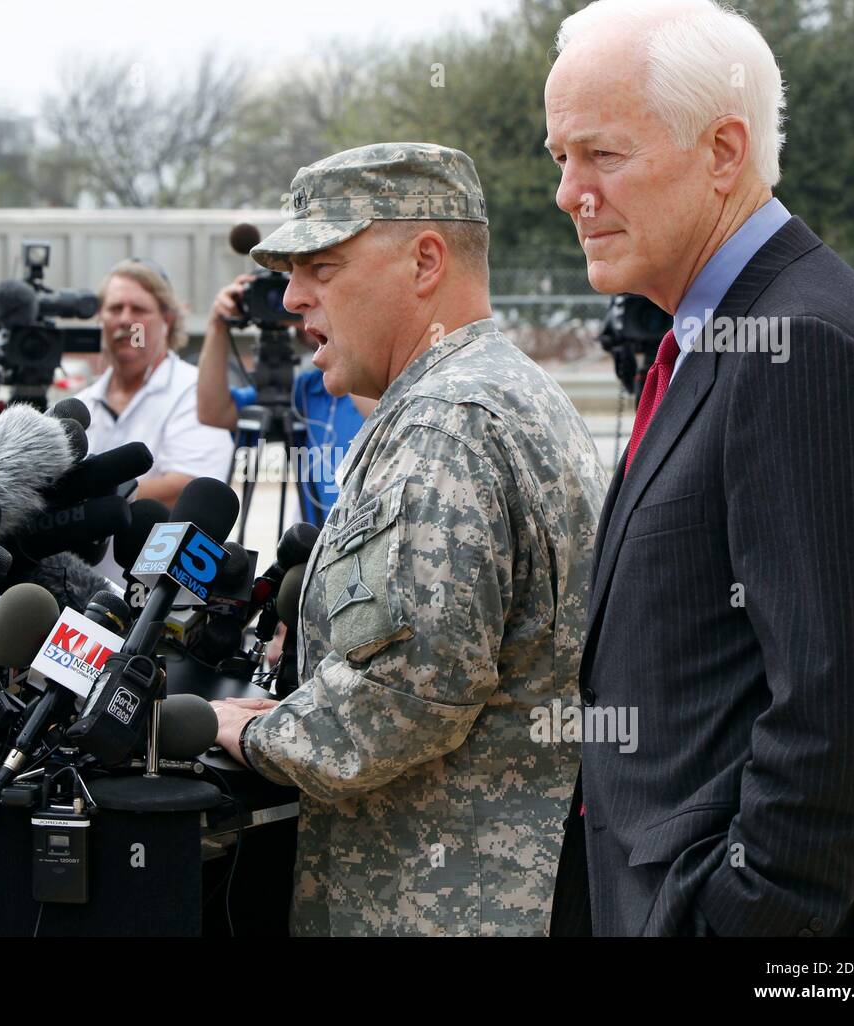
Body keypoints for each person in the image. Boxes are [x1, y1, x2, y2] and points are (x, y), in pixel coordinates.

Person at [544, 0, 854, 936]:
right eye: (559, 157)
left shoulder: (798, 346)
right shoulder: (722, 334)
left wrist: (737, 920)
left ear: (724, 151)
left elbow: (841, 714)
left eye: (602, 154)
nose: (568, 192)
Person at [208, 142, 607, 936]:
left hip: (446, 903)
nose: (291, 299)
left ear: (425, 260)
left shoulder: (444, 423)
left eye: (320, 265)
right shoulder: (498, 392)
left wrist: (249, 731)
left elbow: (405, 701)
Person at [75, 260, 235, 584]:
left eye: (139, 309)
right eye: (115, 308)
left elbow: (189, 491)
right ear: (100, 319)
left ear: (167, 319)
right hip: (83, 598)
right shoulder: (83, 403)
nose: (125, 320)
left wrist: (82, 501)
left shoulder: (195, 391)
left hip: (160, 603)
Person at [196, 275, 374, 527]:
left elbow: (381, 413)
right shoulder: (304, 389)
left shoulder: (373, 383)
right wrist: (218, 326)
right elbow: (213, 412)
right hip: (318, 547)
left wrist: (333, 326)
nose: (295, 304)